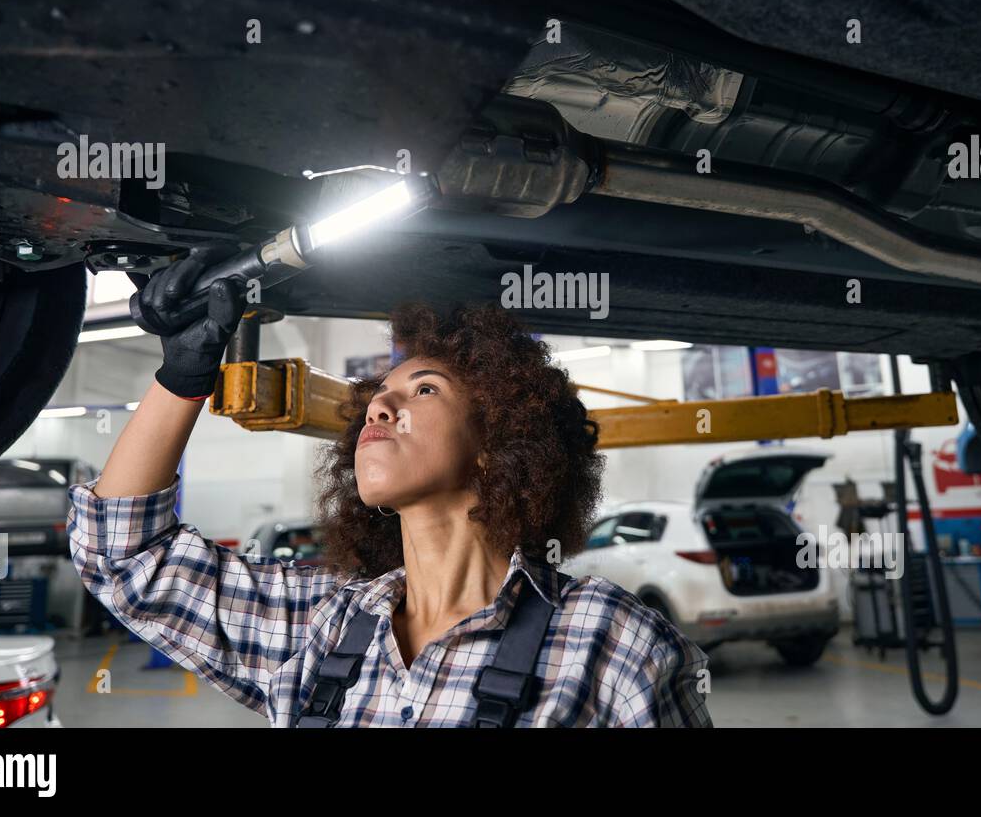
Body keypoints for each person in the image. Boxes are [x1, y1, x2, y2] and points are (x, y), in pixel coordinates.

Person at [67, 246, 712, 727]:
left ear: (499, 444)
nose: (379, 410)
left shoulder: (612, 644)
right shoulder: (319, 627)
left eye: (424, 390)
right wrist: (181, 374)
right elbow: (124, 555)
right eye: (379, 397)